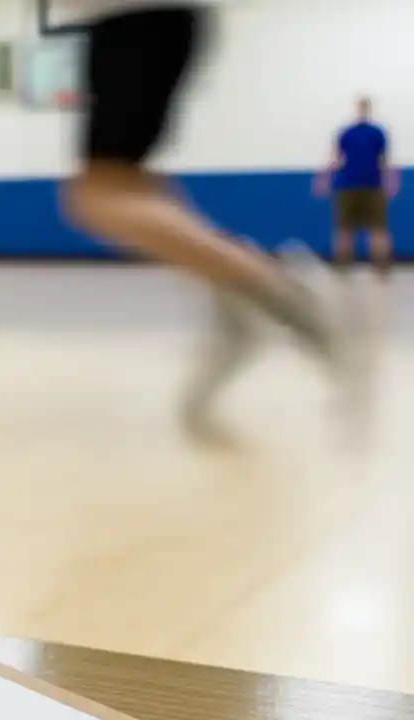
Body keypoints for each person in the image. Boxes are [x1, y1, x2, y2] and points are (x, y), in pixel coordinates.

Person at [61, 1, 352, 434]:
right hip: (134, 23)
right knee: (128, 188)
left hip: (136, 21)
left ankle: (283, 290)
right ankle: (232, 306)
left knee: (97, 197)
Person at [315, 97, 398, 276]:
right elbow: (384, 161)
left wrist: (323, 179)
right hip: (372, 185)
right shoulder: (377, 133)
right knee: (377, 229)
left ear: (357, 109)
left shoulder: (346, 133)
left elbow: (336, 159)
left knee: (345, 229)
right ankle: (382, 268)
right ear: (369, 109)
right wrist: (390, 182)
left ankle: (342, 267)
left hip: (348, 186)